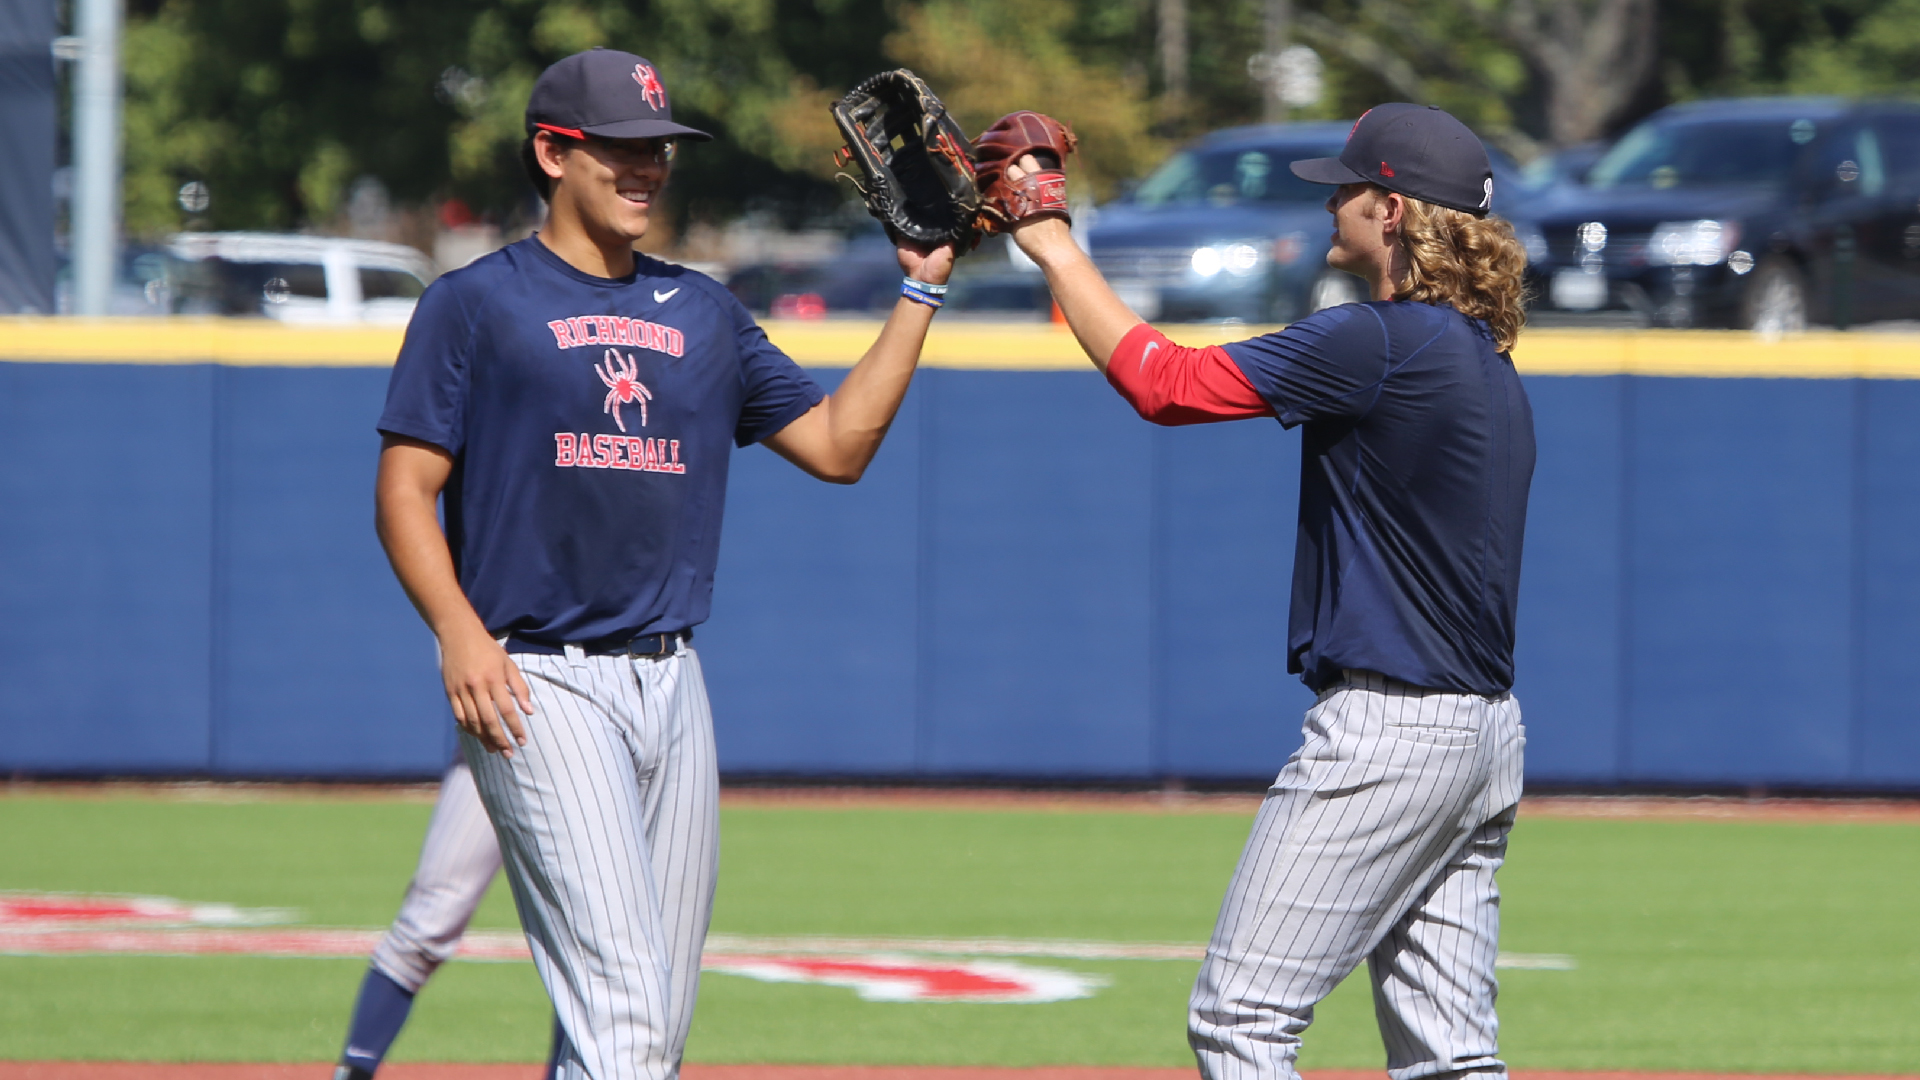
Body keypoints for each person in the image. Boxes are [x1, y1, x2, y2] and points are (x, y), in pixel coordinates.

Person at [372, 46, 954, 1080]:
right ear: (553, 152)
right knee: (628, 1015)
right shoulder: (475, 303)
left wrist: (918, 293)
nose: (649, 168)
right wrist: (459, 631)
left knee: (649, 1027)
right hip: (538, 682)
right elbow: (404, 491)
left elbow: (836, 448)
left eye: (660, 151)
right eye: (623, 150)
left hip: (673, 683)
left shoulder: (705, 312)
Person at [993, 103, 1534, 1080]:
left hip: (1392, 735)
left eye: (1349, 186)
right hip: (1485, 738)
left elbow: (1167, 383)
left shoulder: (1380, 341)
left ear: (1396, 209)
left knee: (1241, 1019)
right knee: (1451, 1056)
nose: (1333, 201)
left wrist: (1054, 249)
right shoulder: (1488, 367)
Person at [333, 761, 559, 1080]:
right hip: (494, 746)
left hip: (604, 753)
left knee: (593, 952)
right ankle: (353, 1071)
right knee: (425, 925)